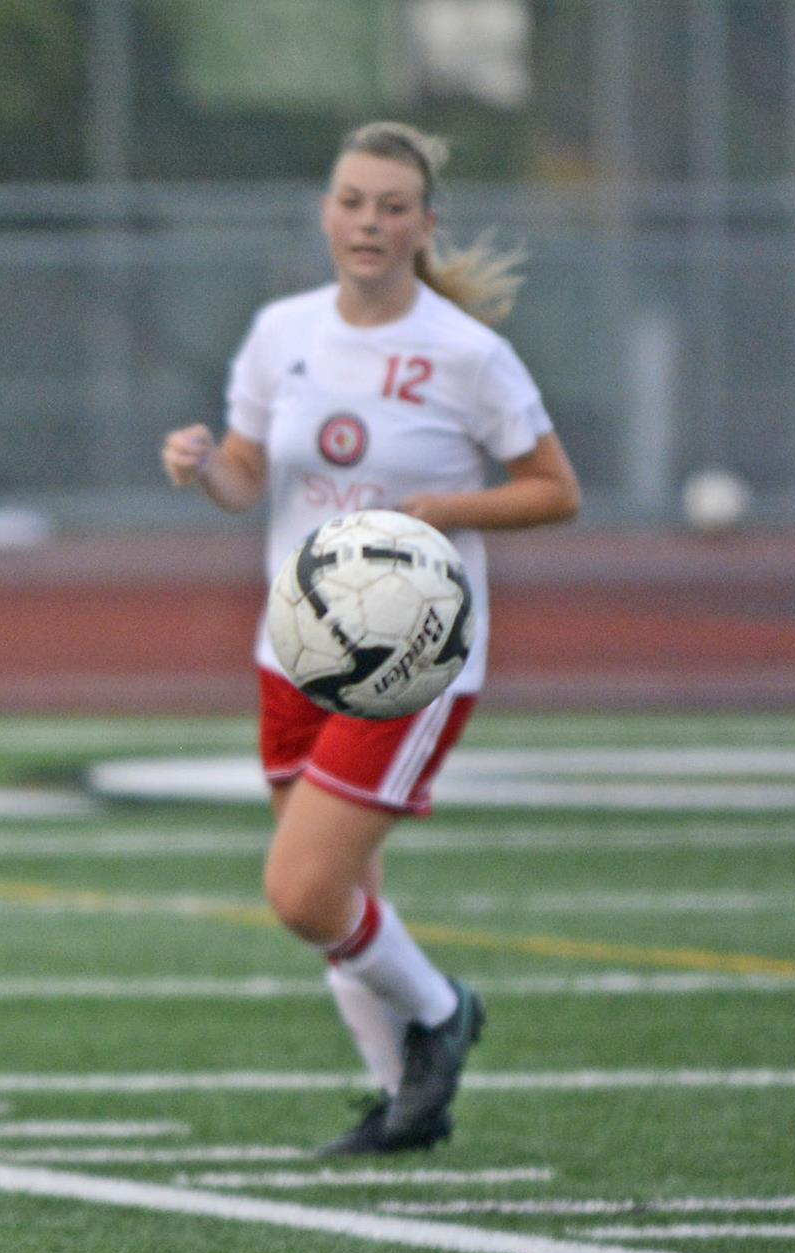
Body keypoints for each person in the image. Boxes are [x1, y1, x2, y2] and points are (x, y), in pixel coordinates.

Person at [160, 121, 580, 1155]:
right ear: (326, 211)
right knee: (347, 891)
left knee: (304, 893)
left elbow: (554, 492)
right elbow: (249, 476)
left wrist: (444, 509)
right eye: (352, 201)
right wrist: (203, 468)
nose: (368, 222)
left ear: (423, 224)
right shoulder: (280, 331)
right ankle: (404, 1100)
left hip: (410, 664)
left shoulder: (466, 353)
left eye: (392, 206)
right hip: (291, 648)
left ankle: (441, 1014)